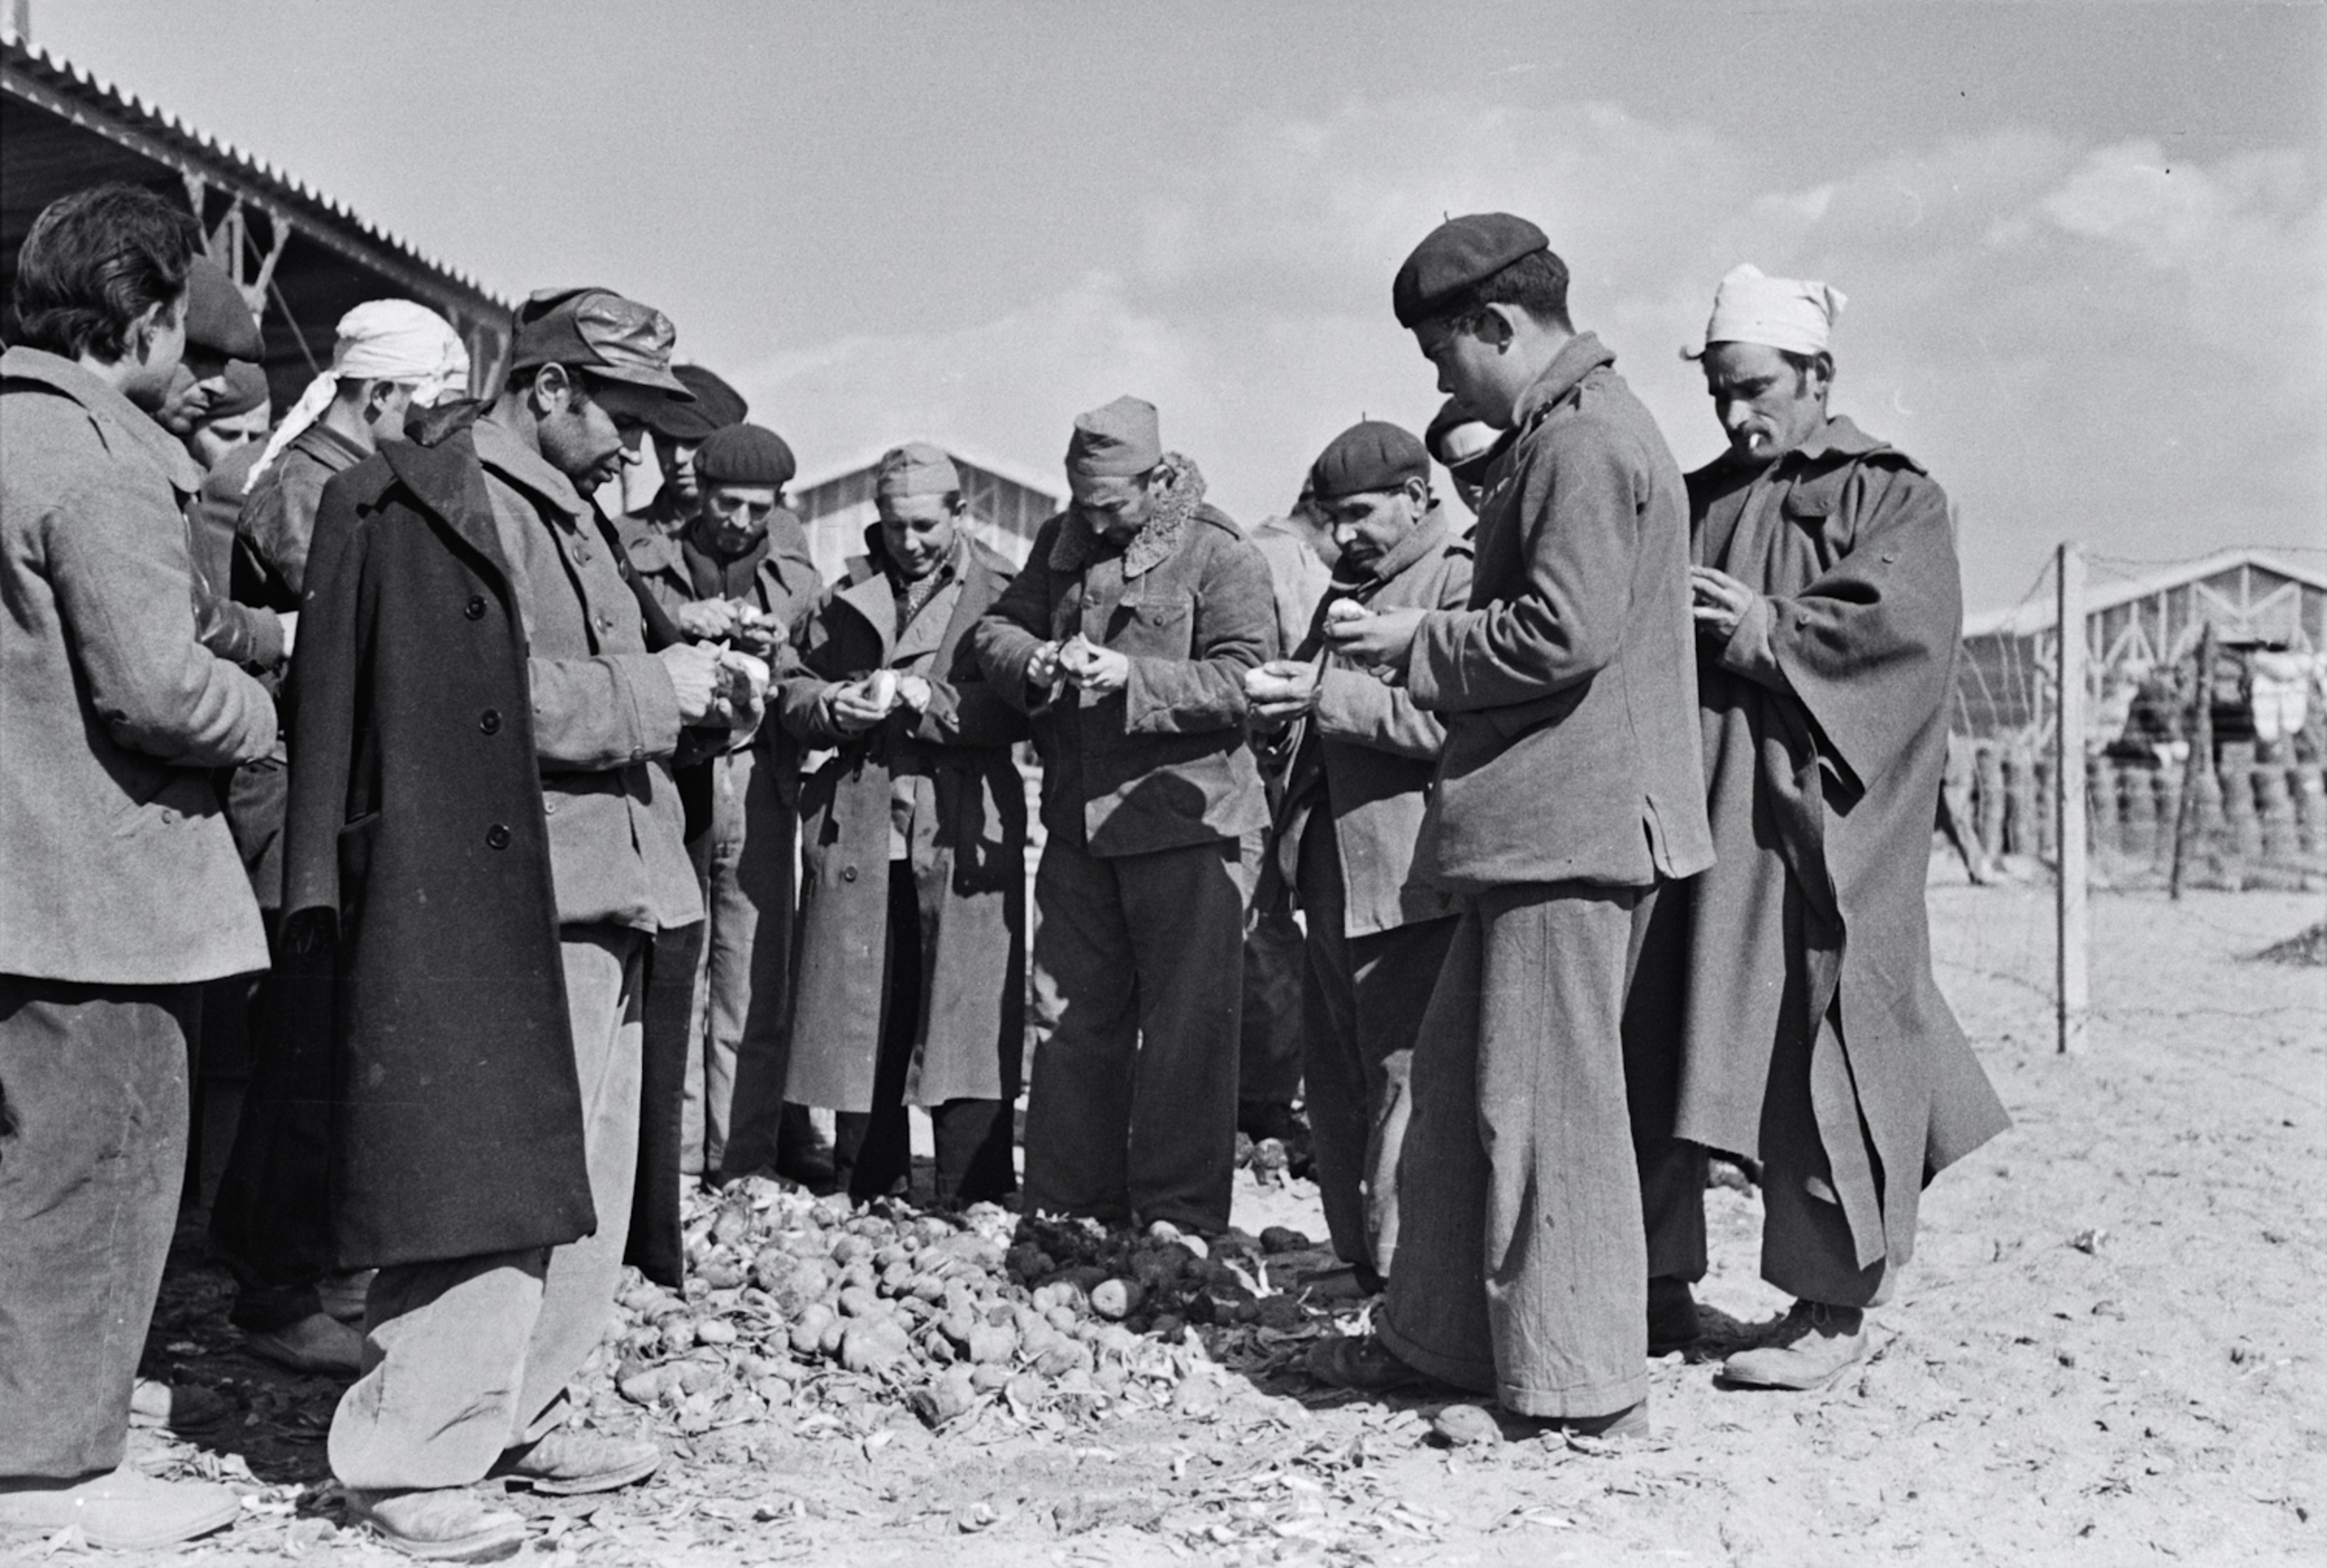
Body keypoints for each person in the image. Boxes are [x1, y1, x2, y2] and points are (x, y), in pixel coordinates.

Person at [284, 286, 749, 1557]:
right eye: (623, 418)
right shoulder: (453, 502)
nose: (641, 449)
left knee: (581, 1186)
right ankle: (407, 1452)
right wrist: (661, 688)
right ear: (548, 391)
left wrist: (701, 687)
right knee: (485, 1178)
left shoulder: (565, 508)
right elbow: (478, 702)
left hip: (612, 884)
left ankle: (517, 1413)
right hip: (514, 900)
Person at [1309, 214, 1714, 1435]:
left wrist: (1408, 643)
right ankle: (1438, 1340)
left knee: (1543, 1115)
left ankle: (1575, 1389)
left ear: (1497, 327)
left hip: (1569, 831)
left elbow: (1563, 633)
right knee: (1453, 1098)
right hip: (1535, 827)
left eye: (1447, 359)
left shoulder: (1583, 445)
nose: (1444, 384)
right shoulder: (1569, 433)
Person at [1635, 264, 2011, 1387]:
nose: (1736, 414)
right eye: (1717, 394)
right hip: (1691, 809)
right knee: (1648, 1015)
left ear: (1817, 374)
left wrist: (1765, 628)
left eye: (1754, 388)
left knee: (1823, 1032)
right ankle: (1653, 1279)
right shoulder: (1693, 496)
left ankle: (1827, 1308)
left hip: (1810, 820)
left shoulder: (1892, 495)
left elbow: (1902, 637)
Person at [0, 182, 276, 1552]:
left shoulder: (8, 435)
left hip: (14, 875)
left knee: (23, 1175)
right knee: (96, 1176)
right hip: (95, 891)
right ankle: (53, 1483)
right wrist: (267, 714)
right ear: (148, 313)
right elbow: (159, 693)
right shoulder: (104, 461)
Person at [208, 300, 470, 1377]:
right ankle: (279, 1286)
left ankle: (316, 1268)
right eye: (430, 409)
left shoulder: (331, 475)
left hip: (335, 800)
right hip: (298, 807)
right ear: (379, 397)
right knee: (301, 1050)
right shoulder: (311, 490)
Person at [974, 396, 1276, 1233]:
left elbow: (1249, 680)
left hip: (1188, 827)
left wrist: (1132, 679)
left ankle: (1176, 1219)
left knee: (1186, 1035)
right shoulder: (1060, 544)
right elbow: (995, 631)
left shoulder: (1220, 553)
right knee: (1069, 1022)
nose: (1096, 520)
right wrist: (1033, 658)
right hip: (1079, 828)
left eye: (1112, 505)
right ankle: (1070, 1210)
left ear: (1158, 478)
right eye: (1084, 502)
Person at [1245, 421, 1470, 1291]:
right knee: (1335, 1074)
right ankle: (1358, 1255)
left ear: (1417, 497)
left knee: (1404, 1083)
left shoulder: (1459, 580)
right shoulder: (1352, 583)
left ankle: (1407, 1281)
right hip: (1332, 867)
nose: (1342, 535)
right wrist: (1275, 718)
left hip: (1407, 871)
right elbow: (1316, 708)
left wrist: (1328, 697)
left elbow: (1453, 725)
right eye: (1332, 518)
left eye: (1361, 514)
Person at [782, 443, 1029, 1205]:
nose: (910, 542)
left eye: (925, 525)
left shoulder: (1005, 594)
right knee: (866, 1003)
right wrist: (830, 707)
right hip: (863, 827)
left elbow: (1028, 707)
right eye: (894, 527)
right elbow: (792, 685)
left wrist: (938, 704)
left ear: (960, 513)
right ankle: (869, 1186)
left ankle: (975, 1189)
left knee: (967, 1004)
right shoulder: (843, 593)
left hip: (960, 827)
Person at [617, 422, 821, 1193]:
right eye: (727, 503)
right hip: (674, 780)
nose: (740, 520)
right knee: (679, 967)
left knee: (754, 976)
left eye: (757, 508)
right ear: (698, 488)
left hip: (761, 779)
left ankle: (741, 1159)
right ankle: (669, 1158)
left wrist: (779, 648)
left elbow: (807, 663)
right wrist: (687, 617)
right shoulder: (643, 554)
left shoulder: (795, 567)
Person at [1236, 485, 1338, 1151]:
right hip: (1265, 779)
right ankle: (1262, 1097)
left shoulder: (1245, 542)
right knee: (1267, 937)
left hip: (1241, 774)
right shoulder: (1295, 564)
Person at [629, 363, 749, 536]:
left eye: (693, 441)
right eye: (664, 442)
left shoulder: (776, 530)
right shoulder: (620, 539)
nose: (678, 457)